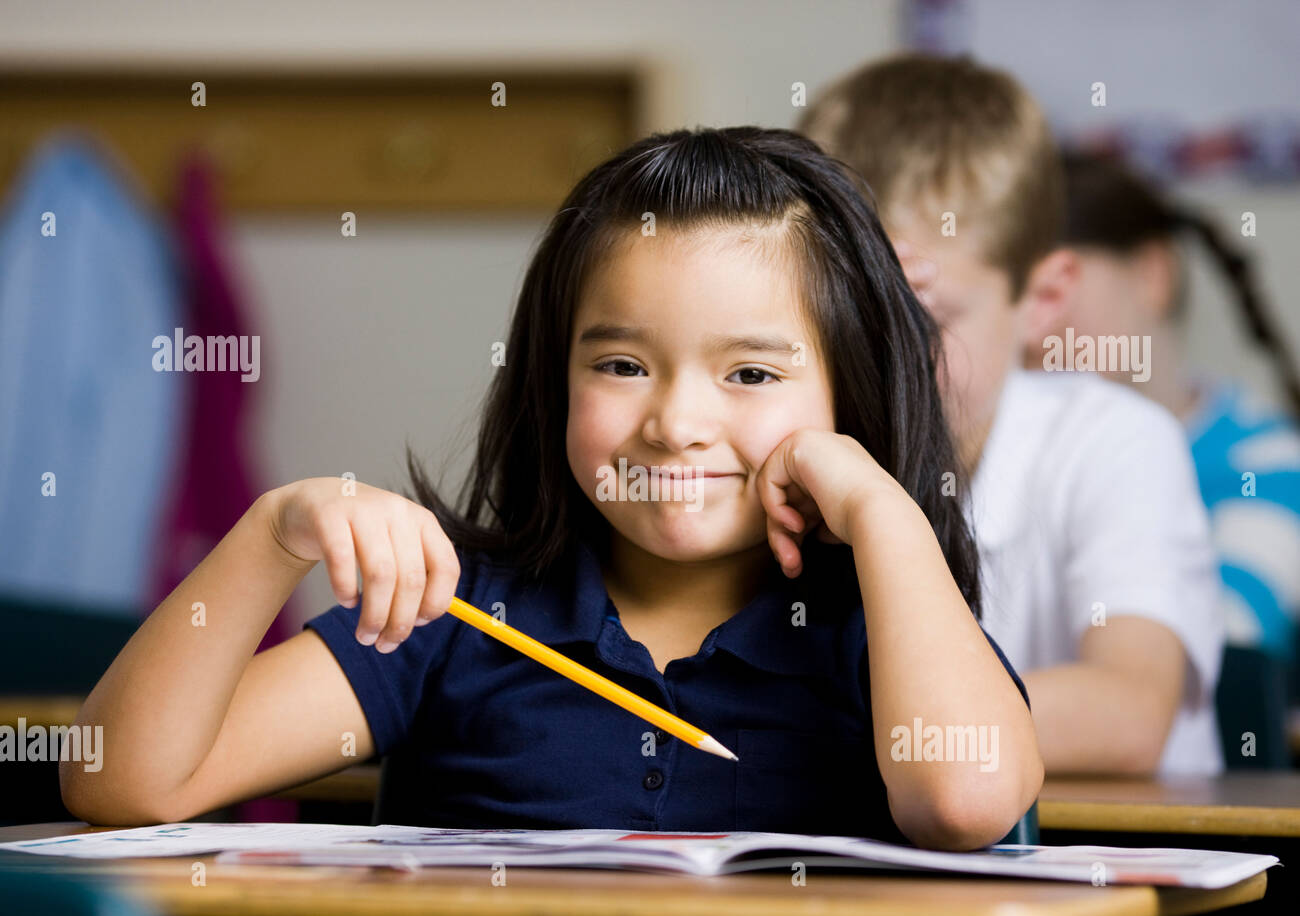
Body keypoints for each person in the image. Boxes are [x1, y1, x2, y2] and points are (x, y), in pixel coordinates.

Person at [63, 127, 1041, 851]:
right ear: (550, 377)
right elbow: (123, 784)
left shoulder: (872, 627)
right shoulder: (450, 613)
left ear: (850, 397)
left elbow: (963, 801)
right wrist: (275, 531)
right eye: (620, 365)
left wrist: (877, 509)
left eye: (750, 375)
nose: (674, 422)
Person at [799, 55, 1225, 774]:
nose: (884, 363)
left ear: (1045, 299)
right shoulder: (803, 451)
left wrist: (856, 723)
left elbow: (1128, 711)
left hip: (1111, 861)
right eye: (850, 320)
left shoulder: (1115, 441)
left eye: (924, 322)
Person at [1040, 150, 1300, 712]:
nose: (1033, 323)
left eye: (1057, 284)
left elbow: (1224, 645)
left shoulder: (1265, 460)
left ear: (1151, 275)